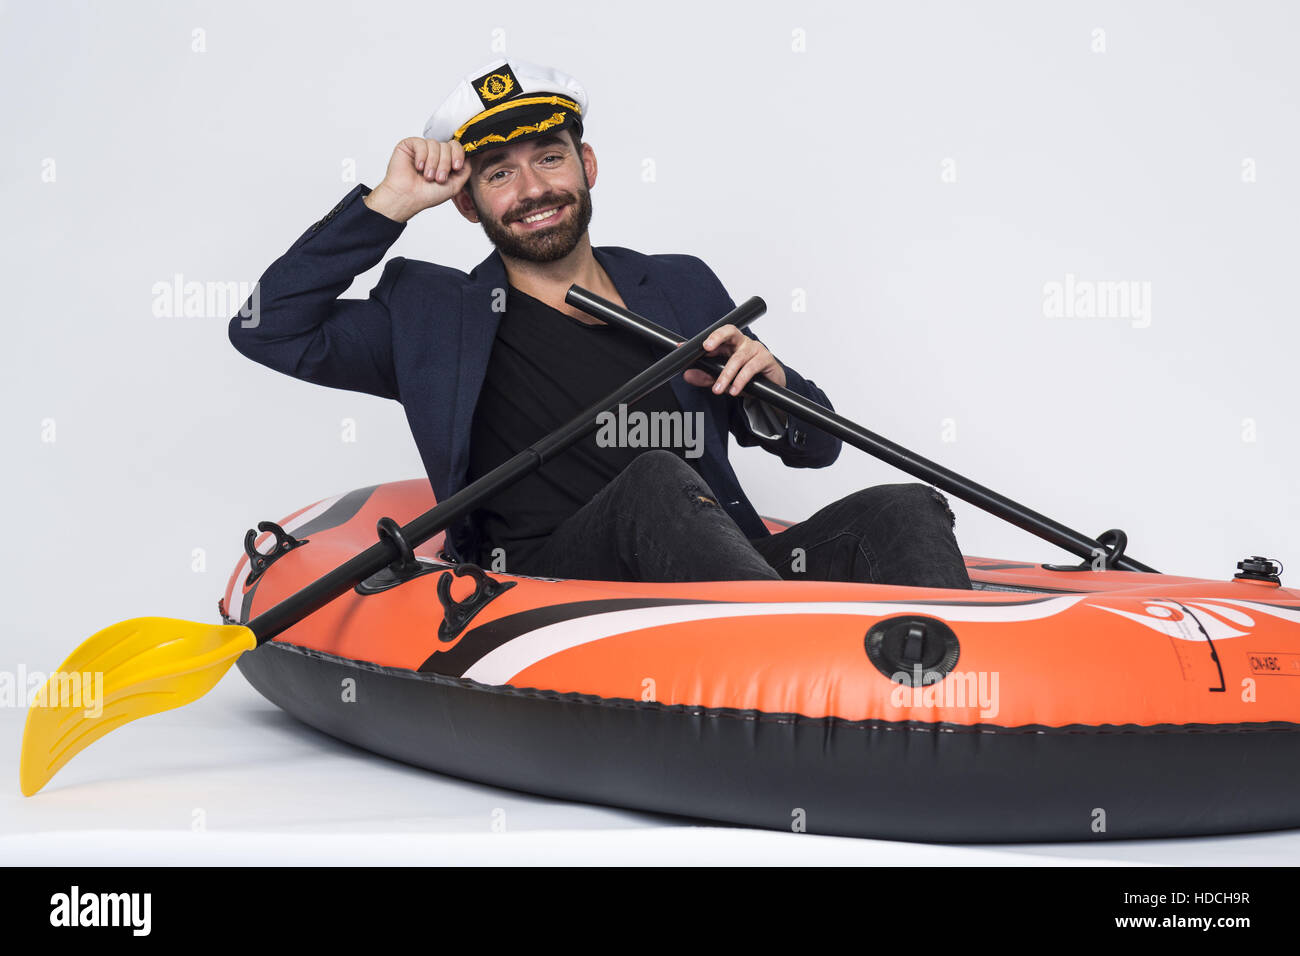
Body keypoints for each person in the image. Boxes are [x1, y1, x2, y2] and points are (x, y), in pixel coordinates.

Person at [228, 57, 972, 589]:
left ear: (586, 164)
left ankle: (958, 715)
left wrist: (773, 391)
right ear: (467, 203)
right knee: (655, 479)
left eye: (549, 158)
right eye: (498, 174)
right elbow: (267, 327)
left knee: (905, 507)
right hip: (558, 585)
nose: (532, 190)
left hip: (723, 561)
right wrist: (387, 203)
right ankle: (780, 679)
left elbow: (818, 451)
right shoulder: (428, 316)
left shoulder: (677, 284)